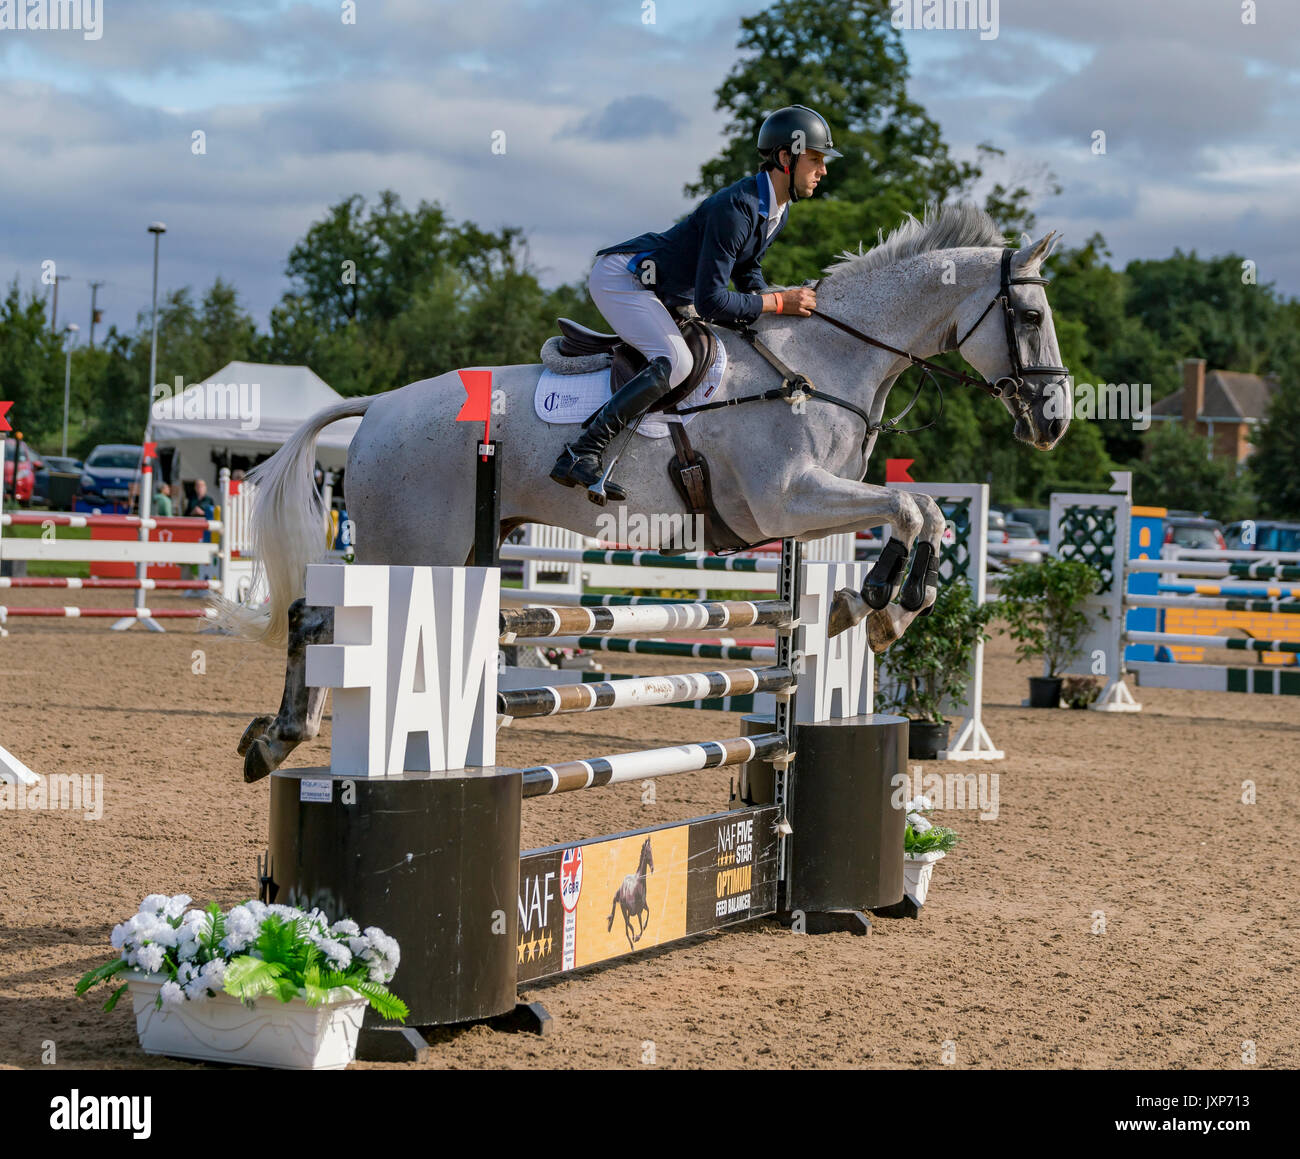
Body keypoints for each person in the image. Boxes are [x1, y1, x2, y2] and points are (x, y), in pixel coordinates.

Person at [550, 105, 841, 500]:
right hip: (625, 278)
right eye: (816, 159)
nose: (823, 170)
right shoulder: (735, 209)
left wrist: (772, 299)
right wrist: (777, 303)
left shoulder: (776, 210)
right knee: (676, 362)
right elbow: (712, 303)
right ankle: (583, 450)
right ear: (787, 158)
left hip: (660, 288)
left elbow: (748, 273)